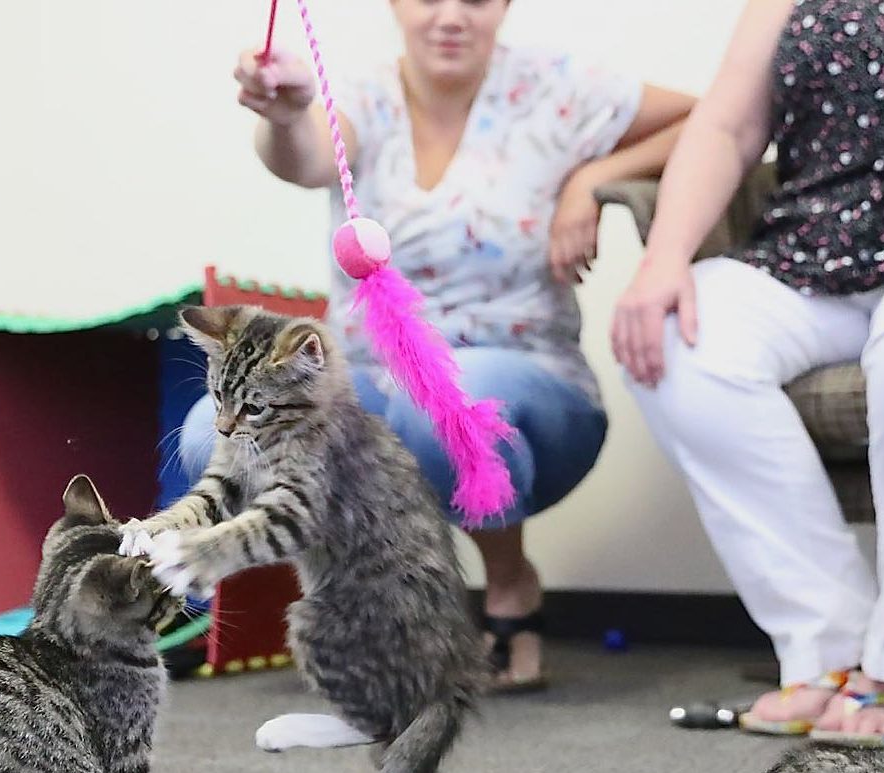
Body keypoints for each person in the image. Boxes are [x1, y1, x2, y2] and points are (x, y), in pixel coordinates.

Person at [180, 0, 694, 691]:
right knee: (209, 438)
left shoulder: (560, 89)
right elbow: (301, 158)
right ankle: (379, 614)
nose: (451, 15)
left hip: (529, 388)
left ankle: (509, 582)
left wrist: (589, 180)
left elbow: (715, 122)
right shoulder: (364, 98)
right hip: (369, 379)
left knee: (443, 399)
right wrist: (281, 113)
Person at [616, 0, 884, 745]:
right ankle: (829, 647)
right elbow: (726, 125)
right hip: (811, 248)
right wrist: (663, 259)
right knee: (674, 336)